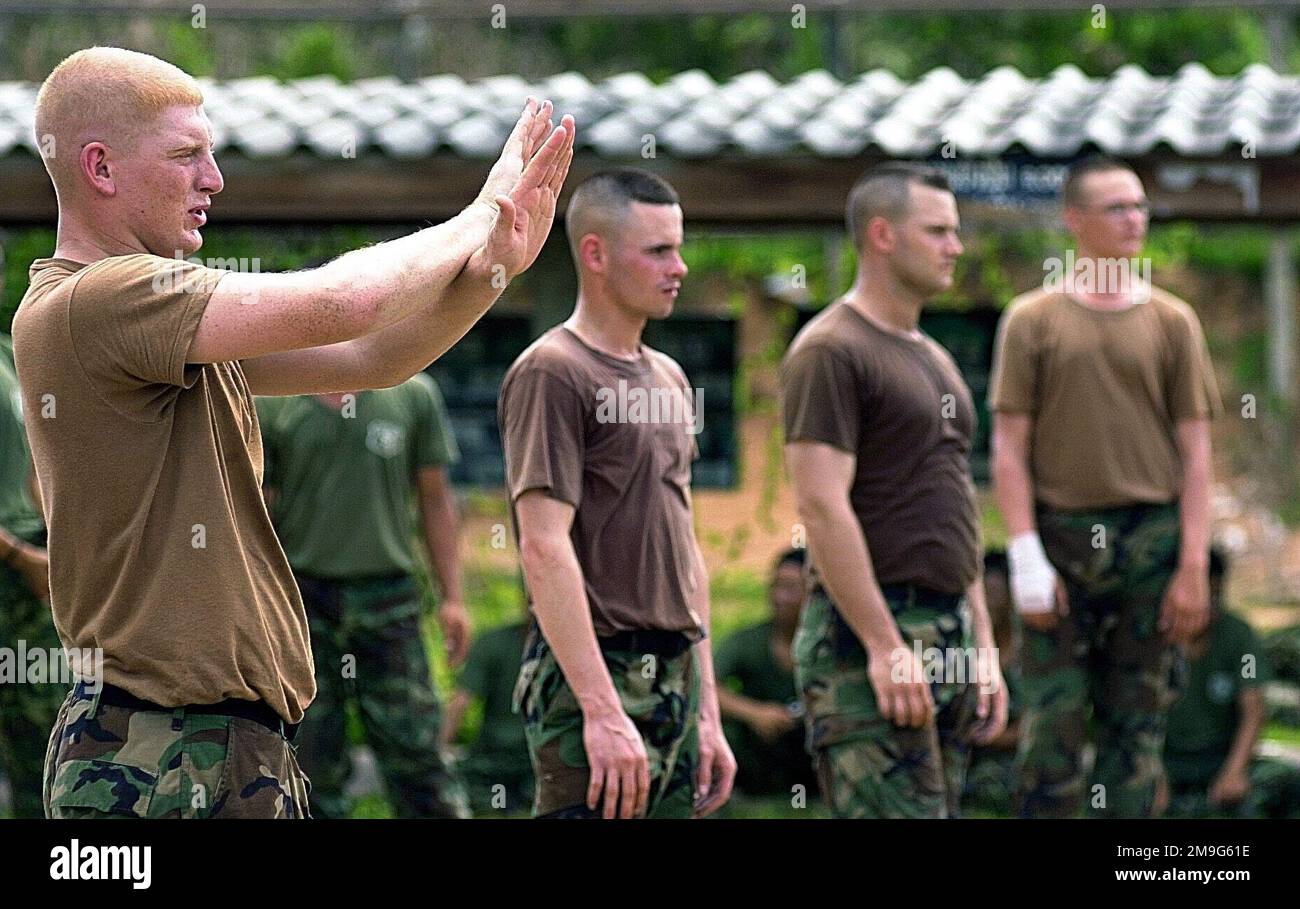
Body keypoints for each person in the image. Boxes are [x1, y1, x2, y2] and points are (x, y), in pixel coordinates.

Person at [17, 46, 572, 818]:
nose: (213, 181)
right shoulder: (102, 297)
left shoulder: (164, 327)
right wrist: (480, 215)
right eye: (186, 157)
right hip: (155, 754)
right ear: (101, 168)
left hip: (217, 745)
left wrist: (492, 268)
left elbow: (371, 356)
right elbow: (343, 304)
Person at [988, 155, 1221, 818]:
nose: (1134, 219)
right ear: (1075, 220)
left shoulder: (1173, 321)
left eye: (1141, 206)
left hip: (1151, 540)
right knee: (1050, 729)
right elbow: (1008, 445)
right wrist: (1025, 552)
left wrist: (1194, 562)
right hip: (1059, 537)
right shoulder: (1032, 319)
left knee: (1138, 729)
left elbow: (1197, 453)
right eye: (1118, 207)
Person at [499, 168, 736, 819]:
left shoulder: (670, 377)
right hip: (595, 674)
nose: (679, 267)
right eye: (658, 250)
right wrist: (602, 713)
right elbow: (543, 547)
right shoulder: (554, 371)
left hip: (676, 677)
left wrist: (707, 711)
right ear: (596, 254)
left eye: (678, 247)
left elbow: (685, 551)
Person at [780, 162, 1007, 819]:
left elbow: (954, 504)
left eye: (955, 231)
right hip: (871, 635)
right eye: (937, 231)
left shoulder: (932, 355)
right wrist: (884, 645)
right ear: (882, 235)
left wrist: (983, 647)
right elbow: (821, 504)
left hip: (948, 628)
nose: (955, 247)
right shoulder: (830, 349)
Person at [256, 373, 470, 818]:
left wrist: (453, 597)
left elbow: (435, 498)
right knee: (308, 755)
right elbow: (260, 514)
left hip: (389, 599)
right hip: (303, 602)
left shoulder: (412, 392)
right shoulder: (275, 400)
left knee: (417, 750)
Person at [1160, 547, 1300, 819]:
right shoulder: (1150, 637)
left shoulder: (1237, 635)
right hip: (1166, 761)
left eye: (1214, 596)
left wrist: (1234, 771)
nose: (1207, 606)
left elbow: (1253, 709)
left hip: (1220, 757)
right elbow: (1133, 715)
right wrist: (1155, 777)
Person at [0, 311, 63, 818]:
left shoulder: (11, 355)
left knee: (42, 747)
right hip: (17, 564)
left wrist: (64, 546)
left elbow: (33, 467)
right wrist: (21, 558)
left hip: (30, 577)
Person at [715, 548, 817, 798]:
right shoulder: (748, 641)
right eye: (777, 586)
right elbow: (708, 687)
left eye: (792, 588)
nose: (781, 597)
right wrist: (756, 714)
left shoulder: (827, 646)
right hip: (759, 748)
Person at [443, 613, 534, 814]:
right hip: (502, 759)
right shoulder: (495, 643)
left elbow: (459, 703)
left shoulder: (494, 642)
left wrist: (436, 756)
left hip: (525, 762)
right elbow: (460, 702)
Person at [961, 550, 1024, 816]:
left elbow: (1036, 720)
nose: (994, 603)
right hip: (966, 749)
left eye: (999, 596)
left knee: (994, 785)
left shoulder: (1027, 652)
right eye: (988, 597)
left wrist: (995, 736)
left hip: (1006, 753)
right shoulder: (963, 646)